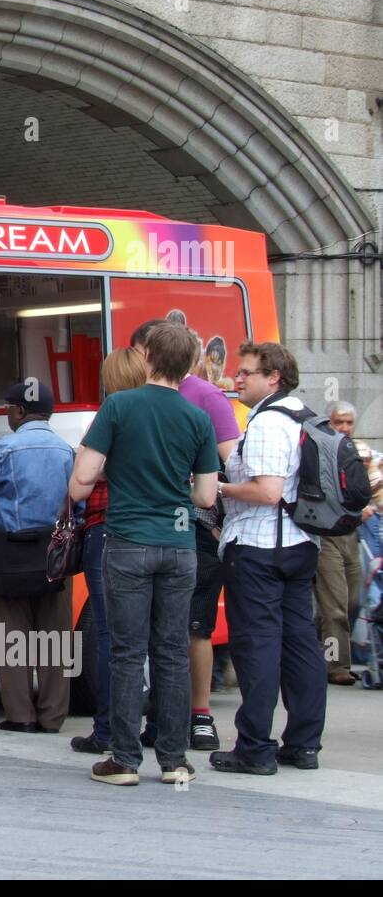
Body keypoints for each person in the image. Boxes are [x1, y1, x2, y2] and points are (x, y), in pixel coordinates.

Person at [69, 323, 219, 786]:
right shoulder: (198, 418)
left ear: (148, 356)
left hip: (129, 542)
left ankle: (124, 760)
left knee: (127, 651)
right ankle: (174, 760)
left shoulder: (118, 406)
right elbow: (207, 496)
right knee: (172, 651)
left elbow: (82, 479)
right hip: (180, 546)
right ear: (191, 363)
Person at [210, 342, 323, 774]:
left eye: (246, 373)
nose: (236, 379)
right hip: (301, 546)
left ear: (273, 376)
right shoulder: (306, 417)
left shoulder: (267, 423)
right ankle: (303, 744)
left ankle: (254, 748)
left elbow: (267, 491)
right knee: (300, 644)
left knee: (257, 646)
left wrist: (220, 488)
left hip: (259, 548)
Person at [0, 380, 75, 733]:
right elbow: (78, 503)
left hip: (9, 554)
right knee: (55, 638)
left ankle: (21, 716)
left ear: (20, 411)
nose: (6, 414)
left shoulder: (5, 449)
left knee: (10, 636)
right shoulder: (67, 452)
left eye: (8, 408)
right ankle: (53, 716)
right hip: (55, 555)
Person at [70, 348, 147, 755]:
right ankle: (159, 733)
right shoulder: (167, 416)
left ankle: (107, 731)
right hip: (158, 536)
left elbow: (80, 484)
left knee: (109, 635)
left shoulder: (111, 416)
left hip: (107, 530)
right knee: (154, 638)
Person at [177, 330, 241, 747]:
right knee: (182, 626)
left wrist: (217, 519)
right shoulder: (130, 399)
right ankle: (179, 714)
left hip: (195, 528)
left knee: (192, 625)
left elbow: (233, 466)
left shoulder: (207, 397)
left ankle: (199, 714)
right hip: (174, 527)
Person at [315, 400, 377, 684]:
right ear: (329, 422)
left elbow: (377, 489)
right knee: (335, 605)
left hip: (351, 536)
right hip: (326, 535)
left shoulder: (363, 453)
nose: (343, 428)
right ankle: (335, 666)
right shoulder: (319, 450)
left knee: (352, 602)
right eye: (338, 422)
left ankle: (315, 647)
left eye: (348, 422)